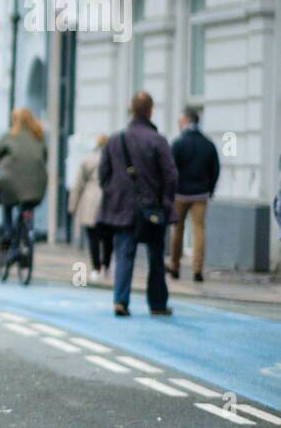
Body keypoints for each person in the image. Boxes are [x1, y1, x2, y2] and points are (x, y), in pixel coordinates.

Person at [98, 91, 178, 317]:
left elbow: (103, 174)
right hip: (152, 209)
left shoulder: (115, 140)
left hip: (122, 209)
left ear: (131, 110)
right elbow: (171, 176)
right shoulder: (158, 141)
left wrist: (114, 194)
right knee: (156, 257)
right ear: (150, 110)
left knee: (124, 254)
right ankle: (157, 304)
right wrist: (165, 202)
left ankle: (120, 301)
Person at [0, 108, 48, 249]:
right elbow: (45, 158)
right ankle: (26, 235)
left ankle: (8, 232)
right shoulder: (38, 137)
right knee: (26, 207)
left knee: (6, 204)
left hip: (10, 183)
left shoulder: (8, 137)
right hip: (36, 185)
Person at [170, 106, 220, 282]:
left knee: (177, 229)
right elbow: (215, 169)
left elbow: (171, 169)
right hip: (201, 194)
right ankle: (197, 269)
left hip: (180, 194)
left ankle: (175, 266)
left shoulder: (178, 143)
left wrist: (172, 189)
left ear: (185, 121)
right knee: (199, 230)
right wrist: (210, 189)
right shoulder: (208, 144)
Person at [69, 134, 111, 281]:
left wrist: (72, 205)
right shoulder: (115, 160)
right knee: (107, 236)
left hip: (90, 200)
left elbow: (78, 184)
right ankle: (106, 265)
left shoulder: (89, 159)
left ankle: (96, 268)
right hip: (109, 200)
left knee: (92, 236)